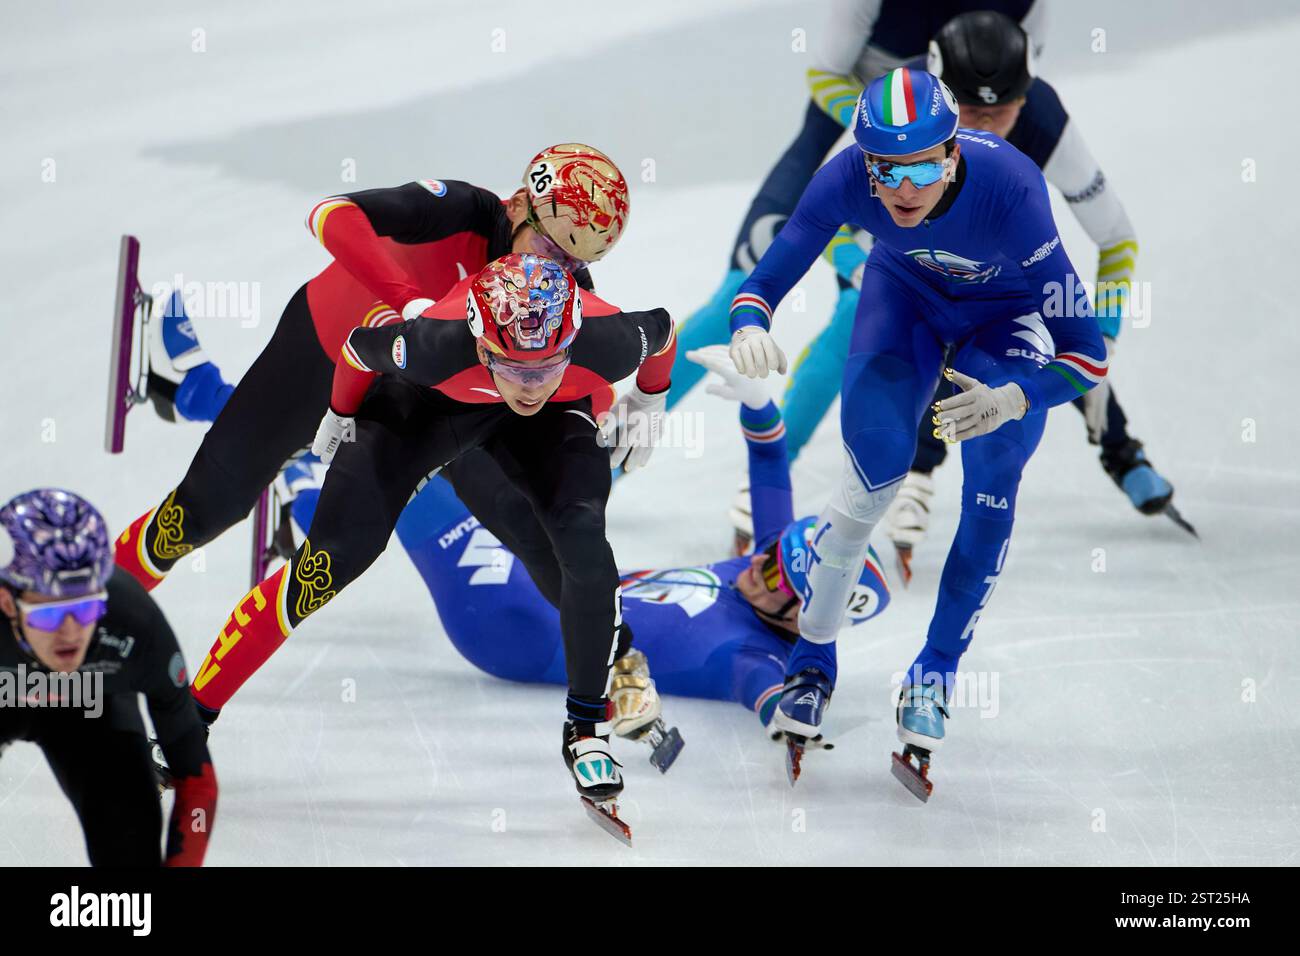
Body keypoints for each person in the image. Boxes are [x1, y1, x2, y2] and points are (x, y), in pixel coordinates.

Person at [186, 253, 675, 830]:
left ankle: (585, 729)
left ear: (571, 342)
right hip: (429, 407)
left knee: (584, 543)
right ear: (481, 345)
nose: (530, 384)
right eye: (515, 369)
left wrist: (650, 396)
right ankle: (192, 716)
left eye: (546, 366)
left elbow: (663, 330)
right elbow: (353, 347)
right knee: (321, 571)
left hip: (551, 424)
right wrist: (343, 412)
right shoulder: (431, 344)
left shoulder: (605, 340)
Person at [726, 67, 1108, 795]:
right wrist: (750, 321)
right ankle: (812, 659)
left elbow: (1085, 353)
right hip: (904, 298)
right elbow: (767, 275)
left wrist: (1017, 399)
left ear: (954, 154)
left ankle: (934, 672)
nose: (904, 188)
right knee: (869, 483)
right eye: (887, 171)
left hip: (1009, 321)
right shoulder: (846, 178)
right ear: (866, 164)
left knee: (994, 474)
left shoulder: (1013, 190)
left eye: (924, 167)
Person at [287, 346, 889, 747]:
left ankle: (274, 453)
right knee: (433, 445)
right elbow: (769, 461)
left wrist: (791, 718)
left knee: (399, 473)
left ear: (805, 617)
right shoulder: (757, 573)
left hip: (510, 621)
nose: (759, 566)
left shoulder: (749, 655)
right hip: (539, 572)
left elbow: (767, 697)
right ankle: (295, 479)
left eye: (781, 580)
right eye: (772, 554)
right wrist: (760, 405)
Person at [116, 144, 630, 595]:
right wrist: (410, 306)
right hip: (326, 347)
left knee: (526, 524)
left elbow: (585, 386)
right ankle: (96, 606)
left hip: (427, 400)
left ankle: (616, 666)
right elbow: (330, 214)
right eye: (548, 249)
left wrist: (600, 419)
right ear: (518, 206)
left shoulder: (563, 295)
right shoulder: (462, 210)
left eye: (577, 263)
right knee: (205, 509)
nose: (556, 271)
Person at [660, 0, 1045, 550]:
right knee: (733, 300)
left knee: (872, 314)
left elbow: (1066, 276)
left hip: (919, 166)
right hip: (855, 152)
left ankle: (792, 470)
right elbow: (823, 74)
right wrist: (891, 137)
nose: (991, 115)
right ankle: (605, 455)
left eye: (1002, 108)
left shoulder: (1025, 41)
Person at [0, 489, 217, 865]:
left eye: (85, 611)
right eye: (50, 615)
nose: (70, 634)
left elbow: (197, 783)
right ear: (7, 603)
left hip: (92, 711)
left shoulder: (135, 624)